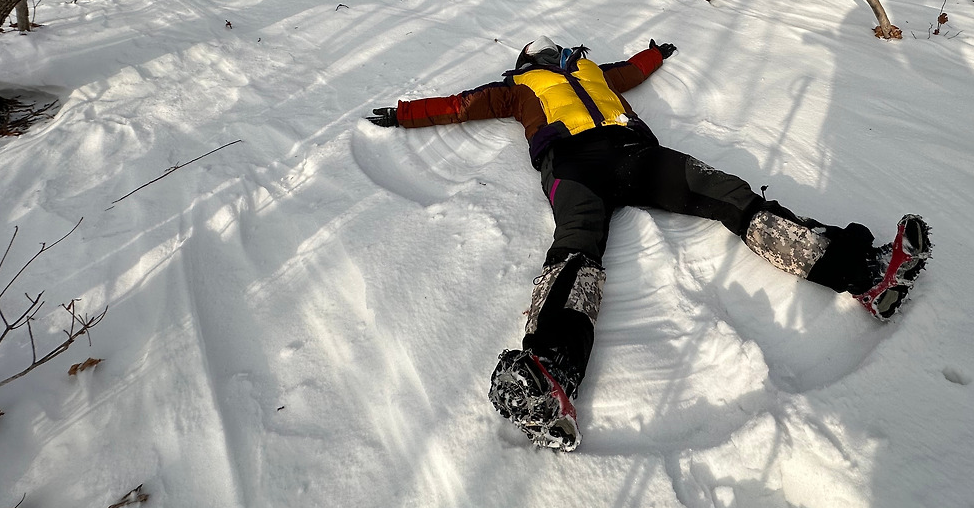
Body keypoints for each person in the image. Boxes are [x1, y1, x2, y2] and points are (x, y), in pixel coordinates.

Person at [367, 36, 929, 451]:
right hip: (574, 164)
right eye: (539, 50)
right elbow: (459, 105)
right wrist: (403, 114)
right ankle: (551, 373)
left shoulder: (592, 70)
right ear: (525, 62)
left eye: (553, 47)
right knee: (576, 250)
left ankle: (863, 273)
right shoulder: (514, 90)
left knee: (728, 193)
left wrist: (655, 54)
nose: (550, 51)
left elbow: (630, 71)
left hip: (637, 155)